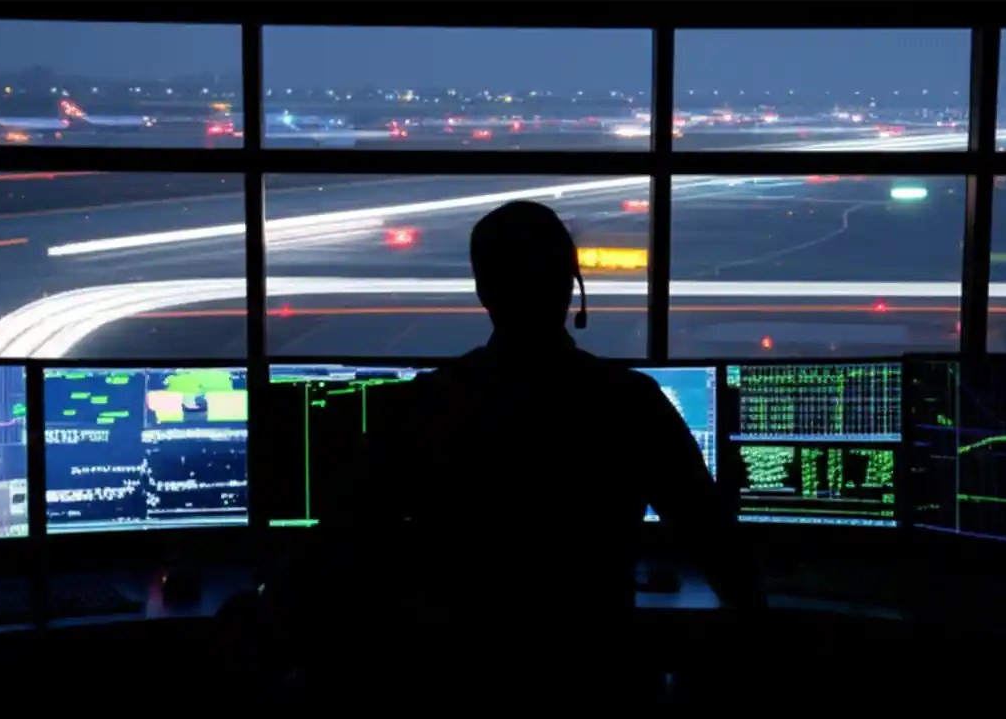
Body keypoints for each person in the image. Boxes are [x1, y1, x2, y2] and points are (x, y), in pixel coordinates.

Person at [320, 200, 760, 708]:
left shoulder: (424, 405)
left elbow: (346, 541)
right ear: (571, 287)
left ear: (483, 292)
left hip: (458, 680)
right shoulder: (631, 402)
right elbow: (717, 546)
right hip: (592, 678)